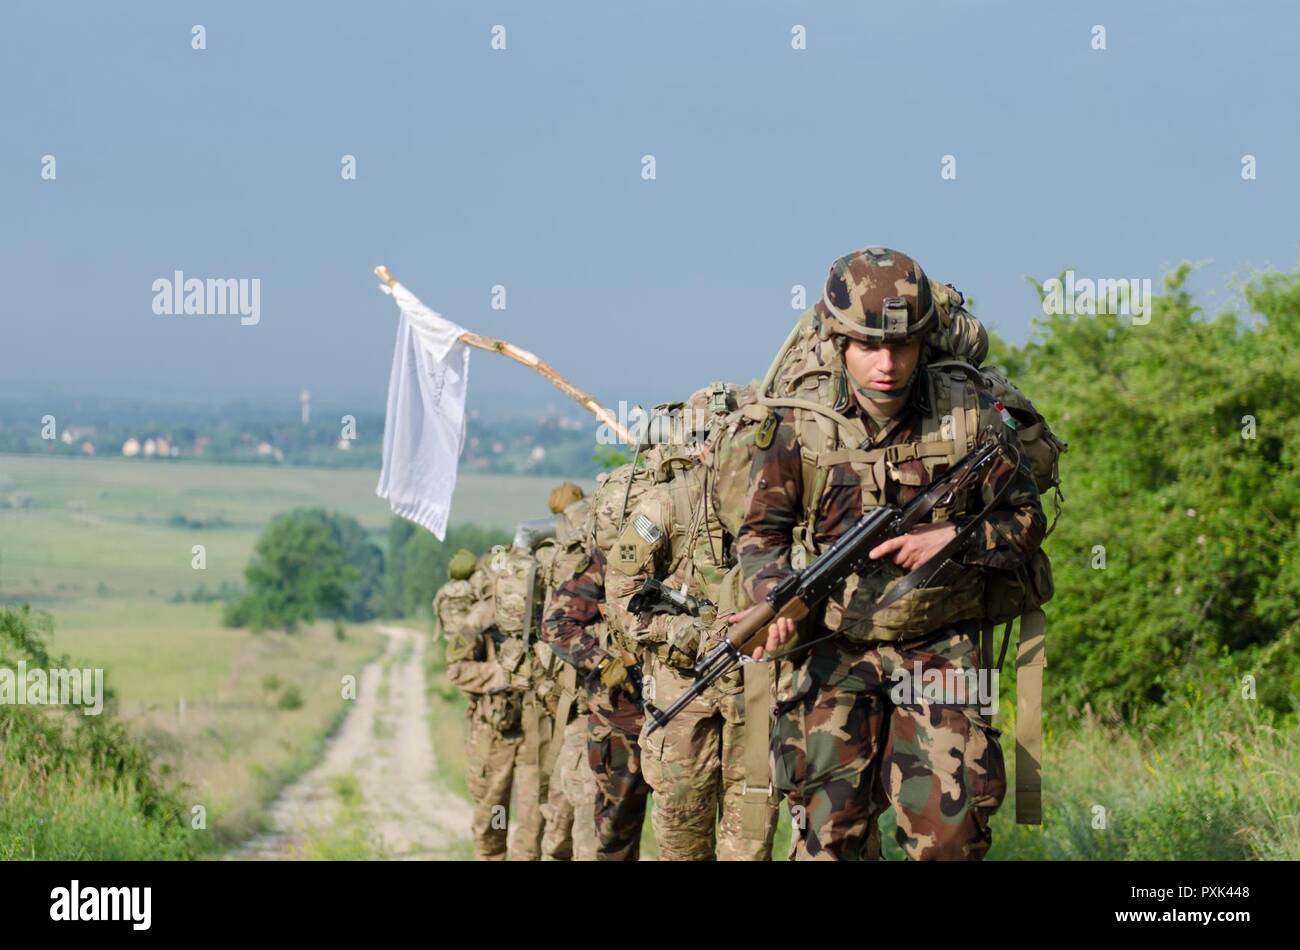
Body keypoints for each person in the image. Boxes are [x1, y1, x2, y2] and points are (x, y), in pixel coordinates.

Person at [736, 246, 1046, 860]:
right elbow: (760, 534)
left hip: (942, 644)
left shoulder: (971, 415)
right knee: (828, 842)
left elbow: (1027, 517)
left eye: (901, 346)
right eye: (867, 346)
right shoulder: (802, 425)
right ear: (837, 342)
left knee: (951, 839)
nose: (886, 364)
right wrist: (773, 598)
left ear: (925, 343)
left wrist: (955, 538)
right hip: (830, 646)